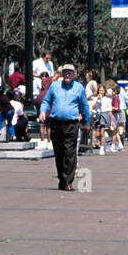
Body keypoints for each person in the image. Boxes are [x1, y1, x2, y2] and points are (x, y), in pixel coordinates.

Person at [39, 63, 89, 191]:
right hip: (56, 123)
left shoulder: (79, 88)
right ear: (61, 74)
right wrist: (43, 111)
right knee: (59, 152)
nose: (67, 74)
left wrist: (87, 122)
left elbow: (84, 106)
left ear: (74, 75)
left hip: (71, 124)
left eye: (70, 72)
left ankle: (68, 181)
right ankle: (62, 179)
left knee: (69, 153)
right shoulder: (55, 86)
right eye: (65, 72)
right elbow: (46, 101)